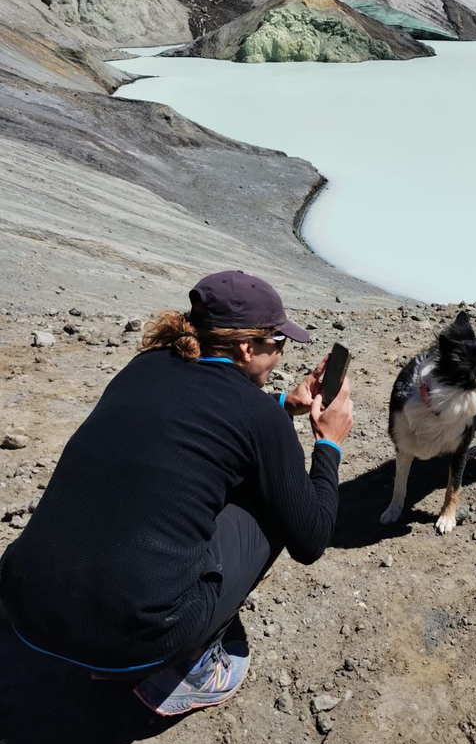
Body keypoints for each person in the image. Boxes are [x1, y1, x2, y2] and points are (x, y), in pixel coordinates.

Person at [0, 270, 353, 716]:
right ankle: (196, 666)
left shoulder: (143, 365)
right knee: (277, 500)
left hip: (25, 602)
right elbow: (312, 538)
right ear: (247, 347)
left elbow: (203, 413)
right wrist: (329, 443)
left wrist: (283, 403)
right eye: (278, 345)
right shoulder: (259, 418)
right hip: (139, 636)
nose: (280, 356)